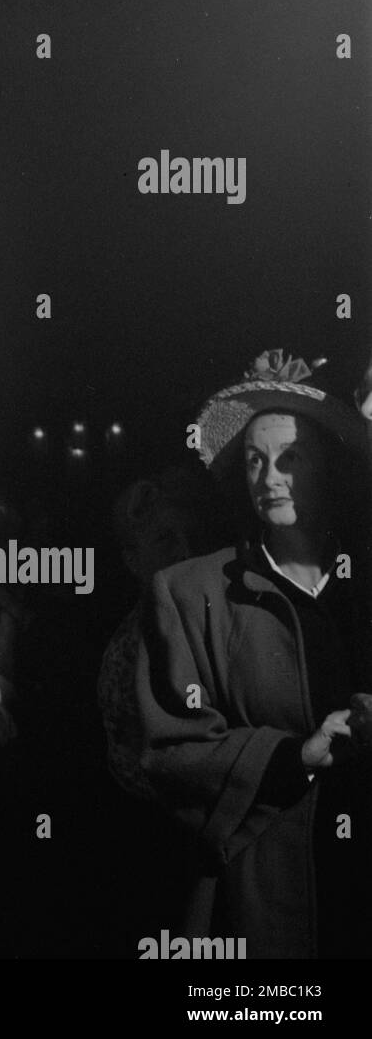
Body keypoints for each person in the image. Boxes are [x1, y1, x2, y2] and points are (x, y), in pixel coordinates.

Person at [129, 350, 372, 958]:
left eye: (291, 459)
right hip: (259, 903)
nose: (269, 478)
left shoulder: (364, 582)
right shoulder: (190, 592)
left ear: (328, 466)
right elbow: (168, 753)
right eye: (256, 461)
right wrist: (294, 756)